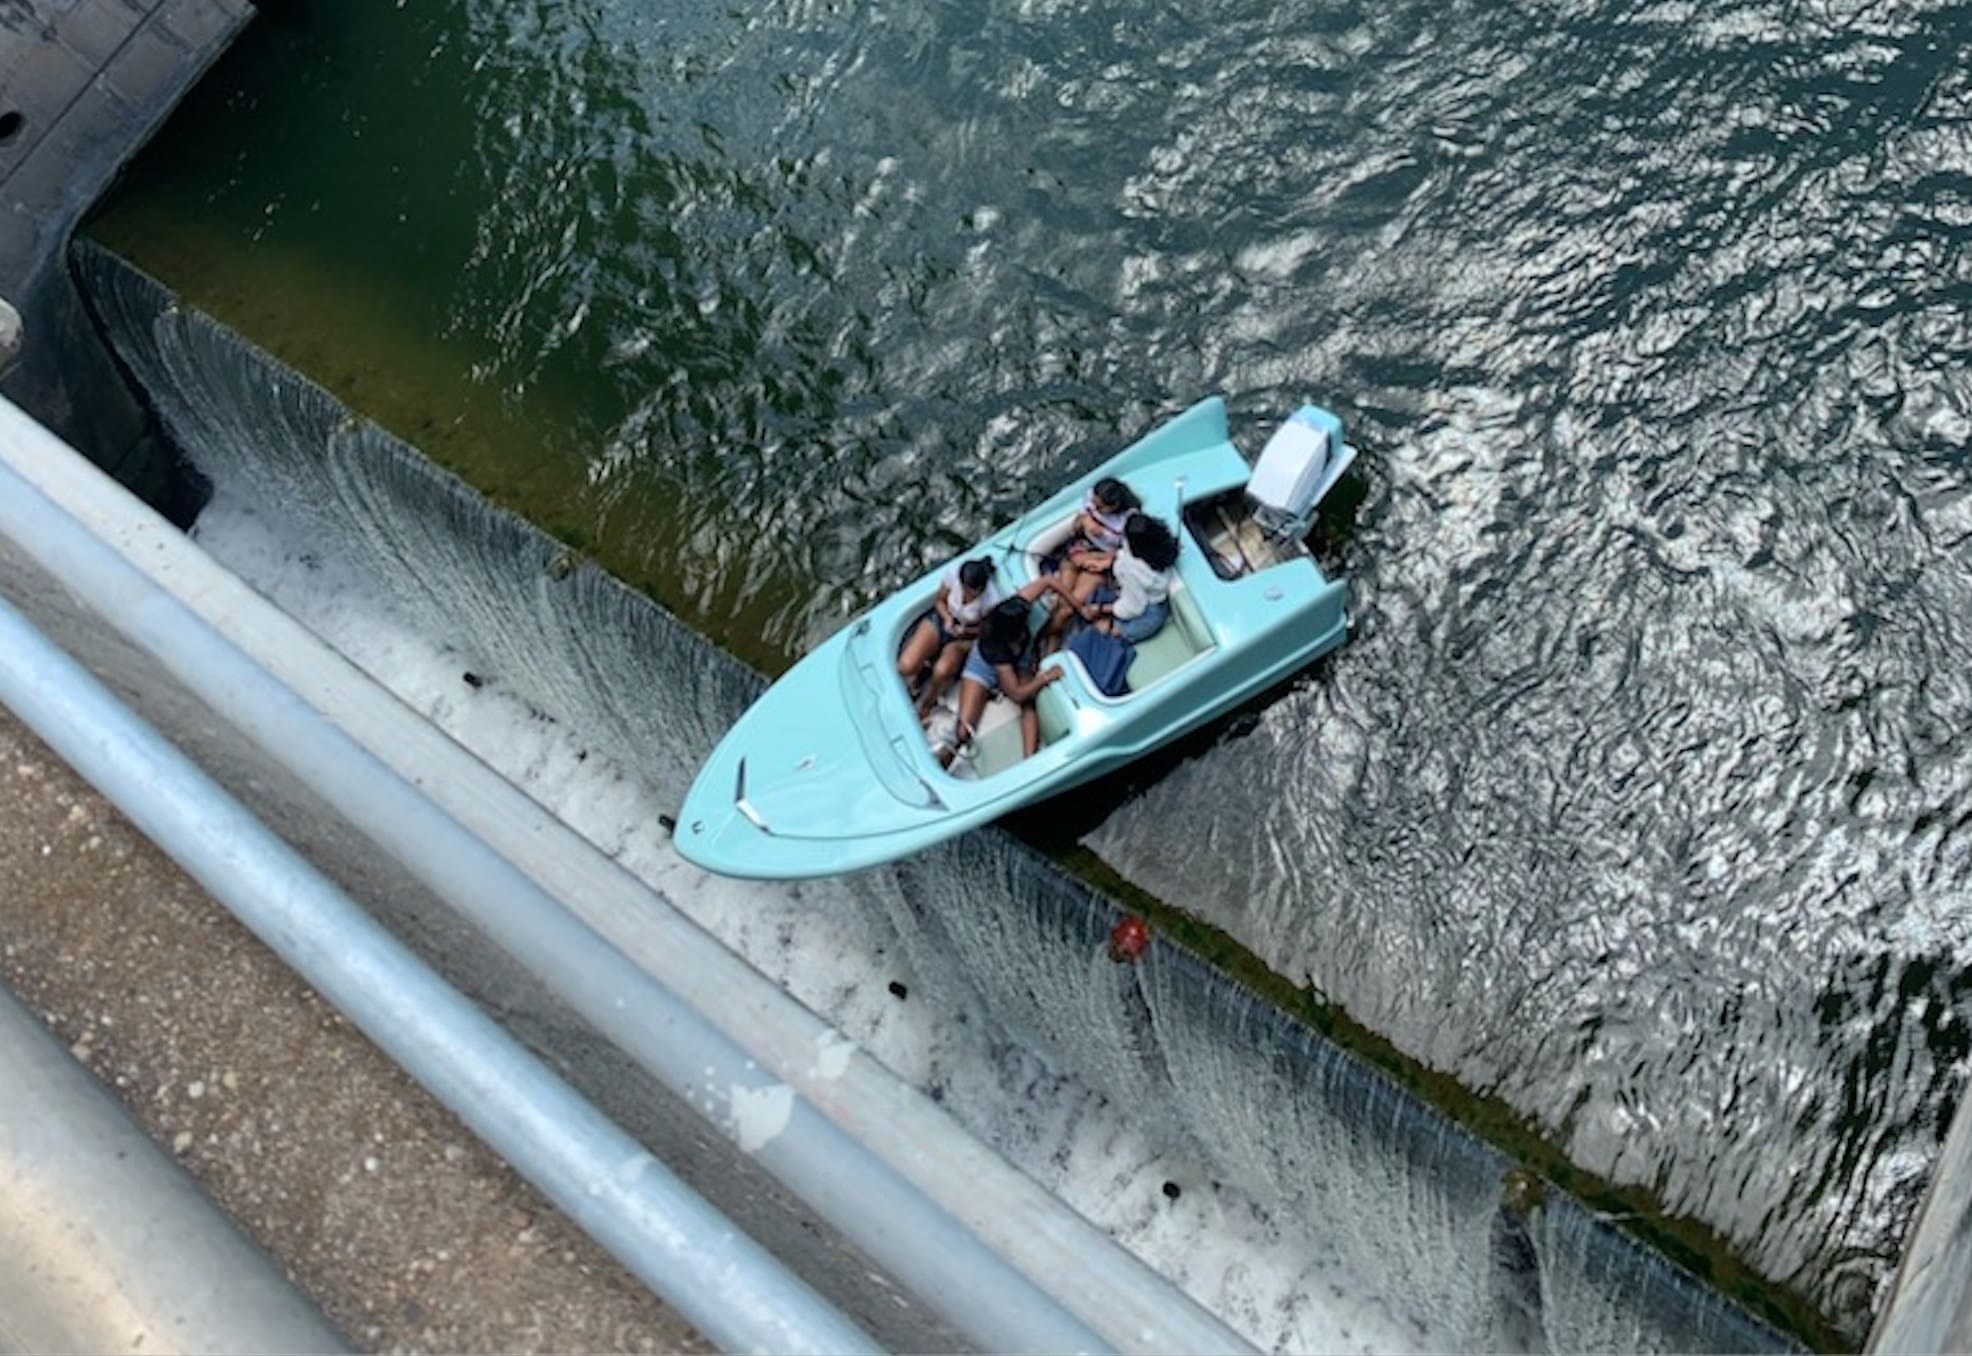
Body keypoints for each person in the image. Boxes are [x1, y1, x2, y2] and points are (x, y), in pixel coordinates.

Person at [935, 598, 1063, 769]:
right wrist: (1044, 678)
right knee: (963, 731)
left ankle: (1030, 761)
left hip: (1019, 662)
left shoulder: (1020, 609)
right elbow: (1016, 694)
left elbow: (1045, 584)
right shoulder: (994, 644)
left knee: (1029, 705)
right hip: (985, 667)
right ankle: (943, 760)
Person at [898, 558, 999, 715]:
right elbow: (939, 601)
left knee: (941, 671)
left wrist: (965, 631)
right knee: (906, 665)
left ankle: (927, 704)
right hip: (944, 618)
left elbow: (986, 630)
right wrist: (947, 619)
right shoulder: (952, 574)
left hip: (966, 635)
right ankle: (919, 674)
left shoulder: (991, 600)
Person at [1075, 512, 1178, 643]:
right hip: (1149, 597)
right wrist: (1105, 562)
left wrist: (1101, 608)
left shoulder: (1131, 569)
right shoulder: (1160, 542)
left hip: (1148, 615)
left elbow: (1134, 608)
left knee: (1101, 632)